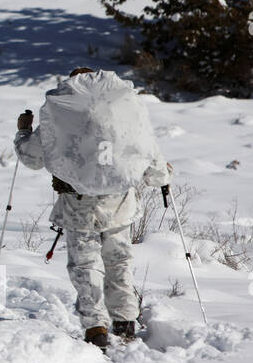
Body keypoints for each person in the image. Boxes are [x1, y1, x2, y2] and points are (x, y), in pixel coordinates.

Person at [14, 67, 171, 348]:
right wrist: (161, 177)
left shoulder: (62, 117)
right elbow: (150, 157)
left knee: (84, 265)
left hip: (78, 204)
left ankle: (95, 327)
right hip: (119, 202)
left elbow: (32, 158)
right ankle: (125, 324)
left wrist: (23, 131)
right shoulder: (125, 114)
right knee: (119, 262)